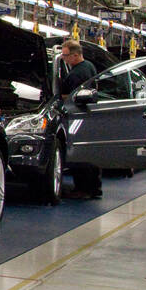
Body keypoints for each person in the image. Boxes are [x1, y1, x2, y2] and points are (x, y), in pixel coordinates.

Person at [58, 40, 102, 199]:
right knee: (90, 153)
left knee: (79, 153)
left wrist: (57, 96)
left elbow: (71, 96)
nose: (63, 58)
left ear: (75, 55)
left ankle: (84, 190)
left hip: (78, 116)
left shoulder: (78, 73)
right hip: (89, 116)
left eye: (65, 55)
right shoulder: (89, 66)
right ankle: (95, 187)